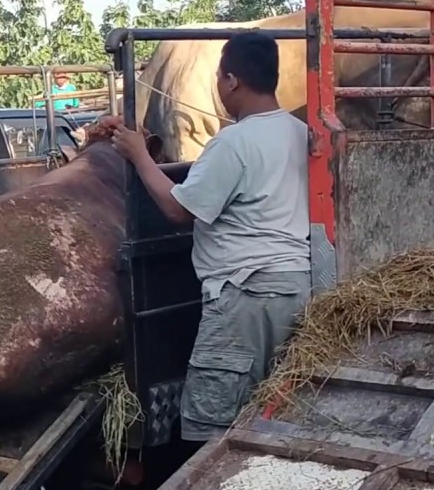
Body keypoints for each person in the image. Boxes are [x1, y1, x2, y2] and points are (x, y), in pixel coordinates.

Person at [105, 31, 310, 443]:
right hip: (297, 288)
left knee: (210, 424)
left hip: (244, 298)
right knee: (277, 414)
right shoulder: (298, 131)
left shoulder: (232, 143)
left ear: (232, 80)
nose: (218, 85)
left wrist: (139, 156)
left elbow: (179, 209)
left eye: (220, 77)